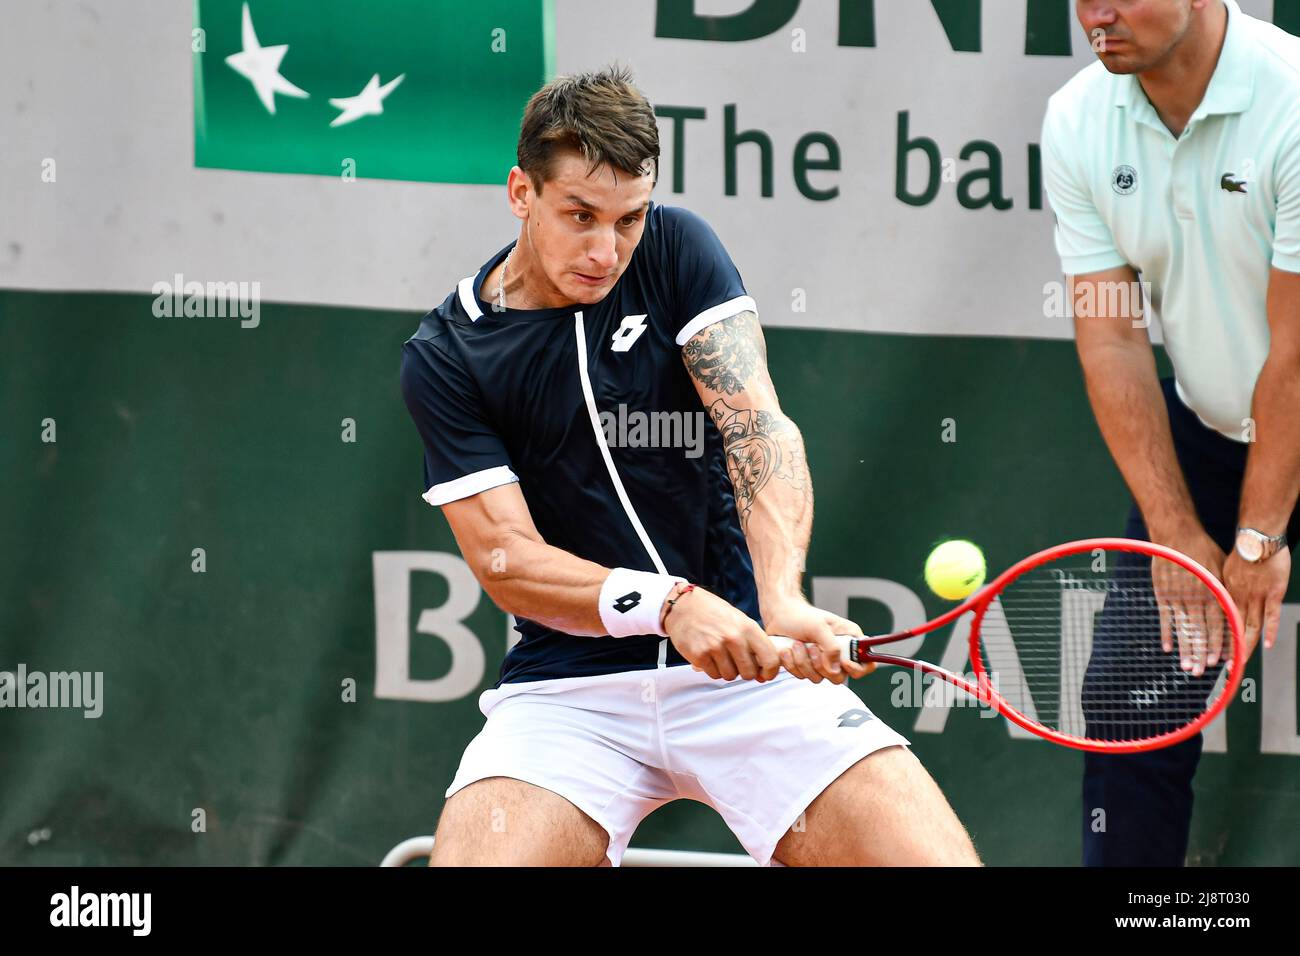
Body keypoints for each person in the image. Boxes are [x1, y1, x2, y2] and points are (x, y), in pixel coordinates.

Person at [400, 65, 979, 866]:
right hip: (571, 696)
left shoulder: (677, 248)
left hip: (753, 681)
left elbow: (757, 428)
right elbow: (509, 561)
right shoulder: (448, 355)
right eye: (580, 215)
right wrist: (667, 605)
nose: (607, 251)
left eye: (628, 218)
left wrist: (780, 599)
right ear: (519, 192)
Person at [1041, 0, 1300, 865]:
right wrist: (1175, 530)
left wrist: (1258, 537)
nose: (1097, 14)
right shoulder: (1080, 118)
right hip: (1208, 437)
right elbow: (1112, 336)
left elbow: (1296, 352)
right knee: (1129, 705)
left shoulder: (1293, 99)